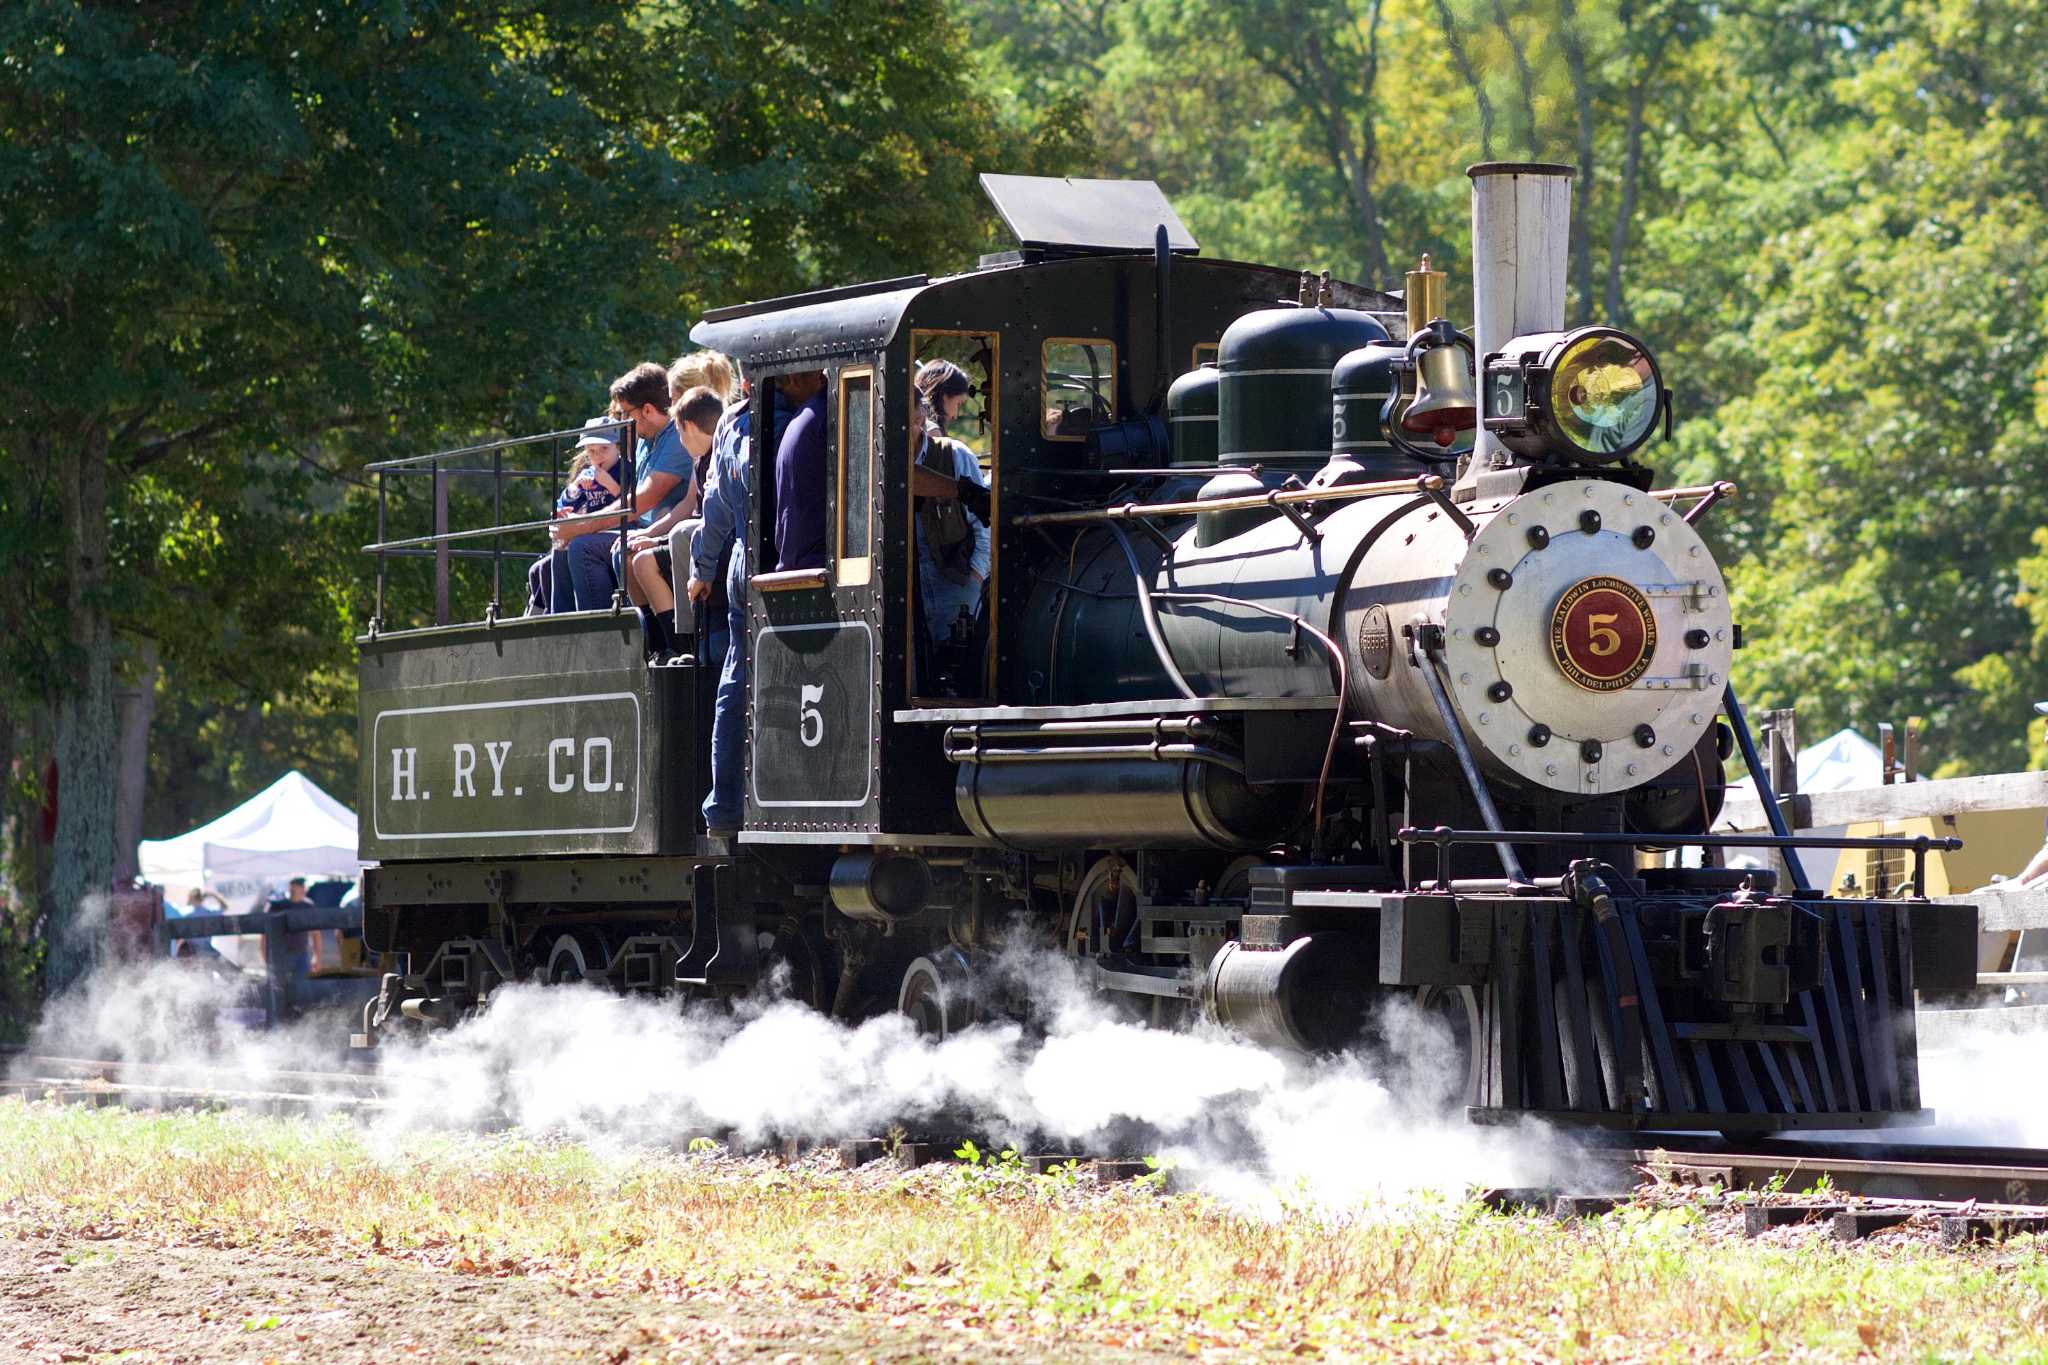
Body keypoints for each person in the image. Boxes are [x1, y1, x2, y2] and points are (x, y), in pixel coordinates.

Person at [689, 377, 790, 837]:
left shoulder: (730, 425)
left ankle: (724, 804)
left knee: (736, 679)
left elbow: (715, 510)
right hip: (767, 560)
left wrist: (702, 567)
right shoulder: (778, 424)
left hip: (737, 562)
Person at [557, 363, 692, 611]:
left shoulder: (676, 438)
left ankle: (599, 635)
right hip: (639, 526)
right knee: (556, 557)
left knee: (582, 547)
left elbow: (643, 499)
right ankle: (563, 637)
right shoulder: (644, 438)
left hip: (660, 529)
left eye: (625, 414)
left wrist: (580, 526)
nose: (621, 422)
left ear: (647, 410)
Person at [910, 361, 993, 687]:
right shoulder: (879, 460)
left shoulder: (955, 455)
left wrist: (973, 577)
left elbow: (983, 524)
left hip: (955, 588)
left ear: (921, 416)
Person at [626, 386, 724, 658]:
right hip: (701, 534)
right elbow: (693, 508)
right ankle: (661, 645)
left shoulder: (720, 455)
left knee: (649, 559)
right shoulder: (699, 460)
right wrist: (655, 538)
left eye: (679, 433)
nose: (679, 441)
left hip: (718, 541)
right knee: (636, 555)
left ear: (689, 427)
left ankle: (684, 642)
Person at [527, 418, 623, 614]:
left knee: (576, 547)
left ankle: (584, 615)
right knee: (559, 549)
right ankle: (560, 613)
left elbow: (630, 503)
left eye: (604, 449)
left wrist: (610, 484)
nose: (597, 456)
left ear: (617, 447)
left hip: (613, 527)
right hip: (588, 530)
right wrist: (573, 492)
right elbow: (564, 505)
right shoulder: (587, 474)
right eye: (591, 451)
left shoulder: (624, 469)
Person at [771, 371, 829, 571]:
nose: (824, 378)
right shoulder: (824, 414)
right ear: (795, 379)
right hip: (818, 563)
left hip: (799, 561)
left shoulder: (804, 416)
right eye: (819, 374)